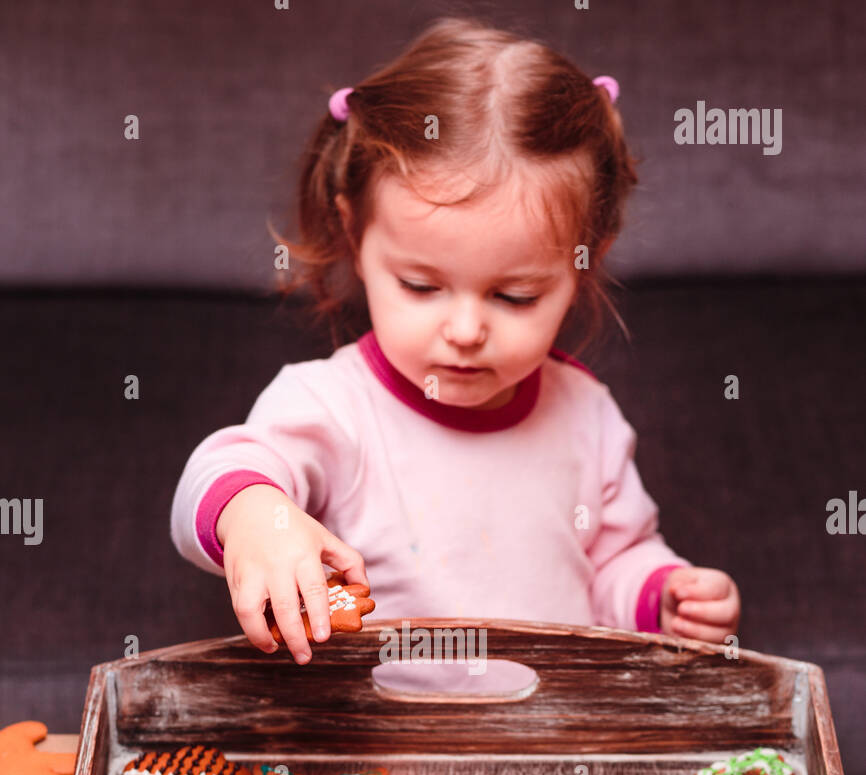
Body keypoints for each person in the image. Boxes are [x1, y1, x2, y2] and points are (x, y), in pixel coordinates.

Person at [171, 17, 740, 665]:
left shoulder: (587, 413)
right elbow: (220, 472)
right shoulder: (330, 405)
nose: (466, 332)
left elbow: (612, 564)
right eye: (420, 286)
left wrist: (662, 597)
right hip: (379, 751)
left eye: (514, 296)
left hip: (549, 744)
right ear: (356, 236)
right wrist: (253, 519)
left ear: (585, 261)